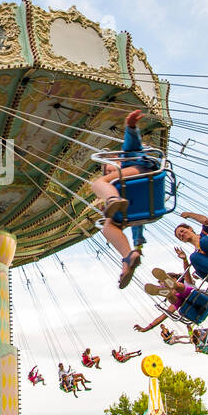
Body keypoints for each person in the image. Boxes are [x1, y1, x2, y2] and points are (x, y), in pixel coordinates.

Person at [89, 109, 155, 288]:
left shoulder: (128, 159)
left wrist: (131, 127)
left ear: (117, 160)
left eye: (110, 167)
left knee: (97, 184)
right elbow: (137, 222)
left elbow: (132, 146)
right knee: (108, 227)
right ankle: (128, 258)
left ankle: (112, 199)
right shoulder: (121, 186)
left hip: (140, 173)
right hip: (138, 202)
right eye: (107, 171)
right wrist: (138, 243)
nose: (109, 171)